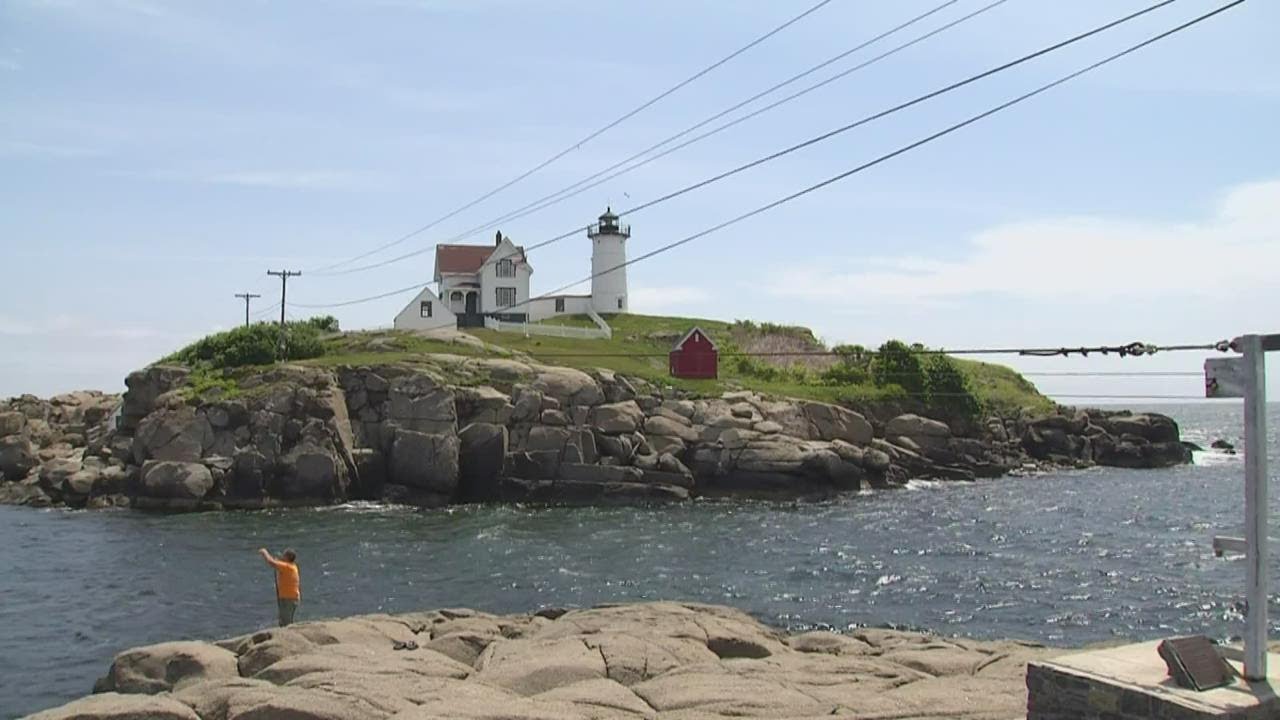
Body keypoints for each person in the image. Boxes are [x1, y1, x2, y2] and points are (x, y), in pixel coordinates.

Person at [258, 547, 300, 626]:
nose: (282, 556)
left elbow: (271, 562)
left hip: (288, 598)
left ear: (287, 557)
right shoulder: (291, 566)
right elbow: (277, 563)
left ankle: (287, 636)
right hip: (288, 597)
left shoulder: (287, 567)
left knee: (286, 621)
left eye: (284, 555)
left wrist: (264, 552)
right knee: (283, 619)